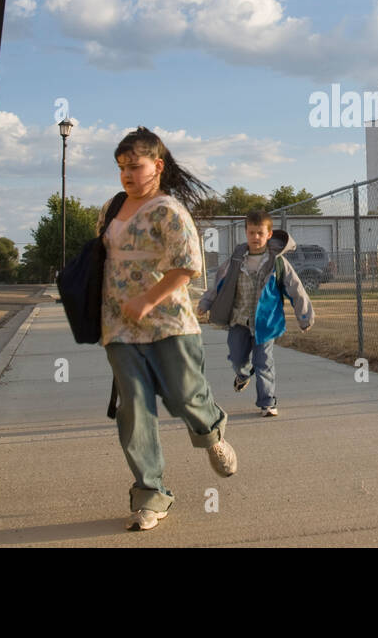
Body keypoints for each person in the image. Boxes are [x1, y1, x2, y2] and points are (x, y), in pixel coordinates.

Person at [98, 126, 237, 532]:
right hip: (120, 330)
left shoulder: (169, 210)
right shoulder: (111, 207)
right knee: (134, 410)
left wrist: (146, 300)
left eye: (134, 166)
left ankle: (211, 434)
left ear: (157, 166)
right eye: (121, 167)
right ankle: (150, 495)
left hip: (170, 325)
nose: (127, 174)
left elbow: (188, 266)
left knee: (184, 397)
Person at [198, 209, 314, 417]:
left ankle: (267, 402)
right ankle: (242, 375)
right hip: (239, 320)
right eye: (251, 233)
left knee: (264, 362)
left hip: (266, 323)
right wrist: (206, 302)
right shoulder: (236, 260)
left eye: (260, 233)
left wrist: (304, 317)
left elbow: (296, 289)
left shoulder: (277, 262)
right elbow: (218, 284)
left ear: (269, 235)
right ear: (246, 233)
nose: (255, 237)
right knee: (237, 358)